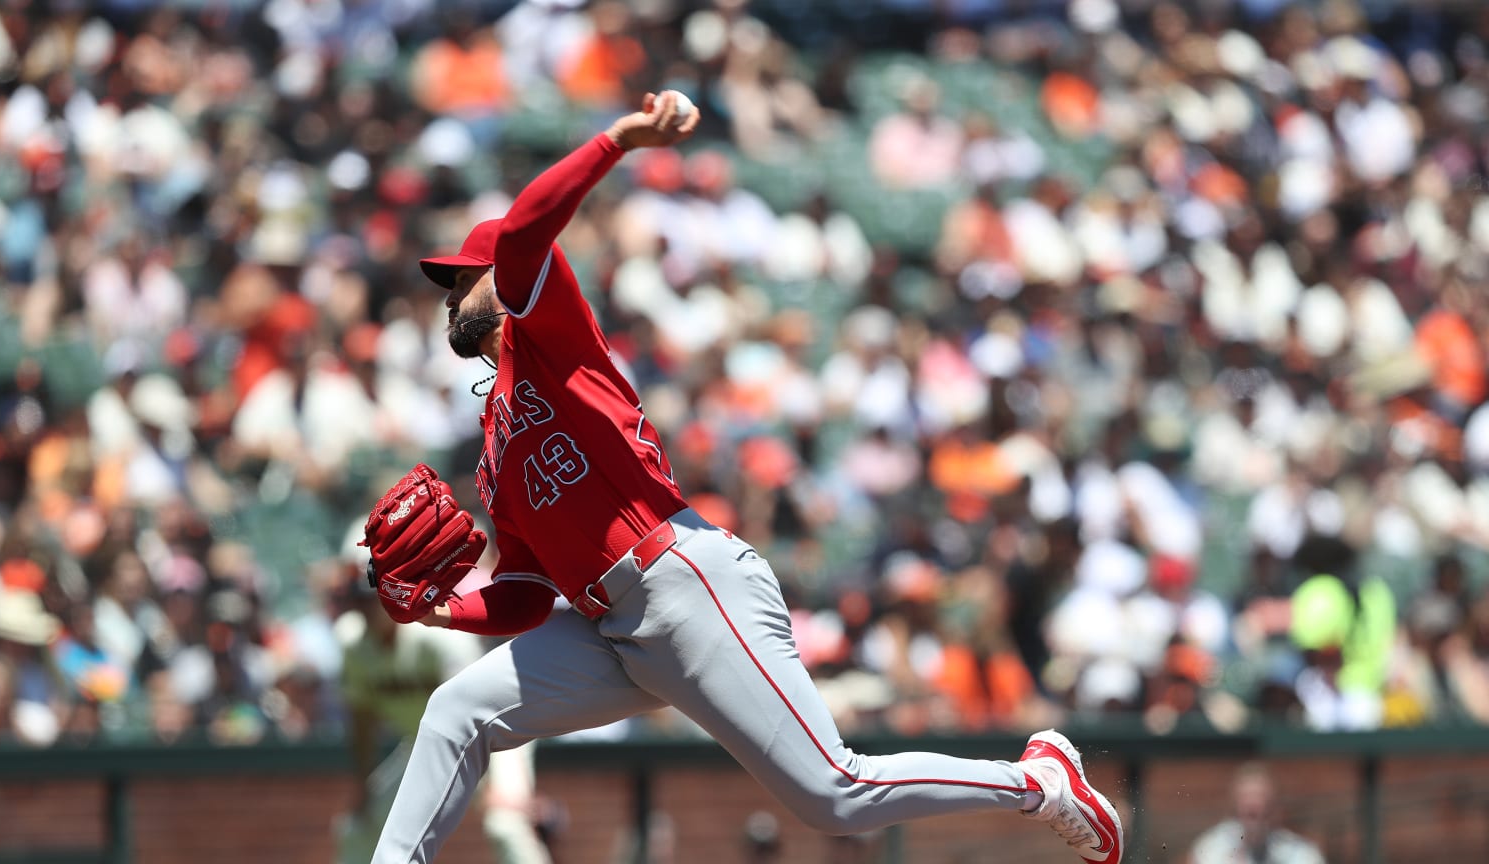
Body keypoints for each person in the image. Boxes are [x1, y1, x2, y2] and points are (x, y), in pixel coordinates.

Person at [364, 92, 1124, 864]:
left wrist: (619, 139)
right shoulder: (493, 440)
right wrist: (443, 612)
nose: (452, 294)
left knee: (835, 794)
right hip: (609, 627)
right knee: (458, 708)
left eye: (464, 278)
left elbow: (526, 230)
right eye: (448, 285)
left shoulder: (548, 333)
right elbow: (526, 589)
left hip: (682, 582)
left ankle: (1038, 783)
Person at [338, 587, 550, 864]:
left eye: (371, 599)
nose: (364, 608)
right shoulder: (355, 646)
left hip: (497, 737)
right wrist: (363, 784)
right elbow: (362, 721)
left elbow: (477, 706)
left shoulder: (436, 636)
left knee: (505, 824)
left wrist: (489, 786)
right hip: (427, 744)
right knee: (361, 825)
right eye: (358, 600)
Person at [1187, 763, 1324, 864]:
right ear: (1234, 806)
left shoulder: (1300, 854)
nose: (1255, 807)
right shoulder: (1210, 850)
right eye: (1246, 800)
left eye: (1262, 798)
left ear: (1276, 808)